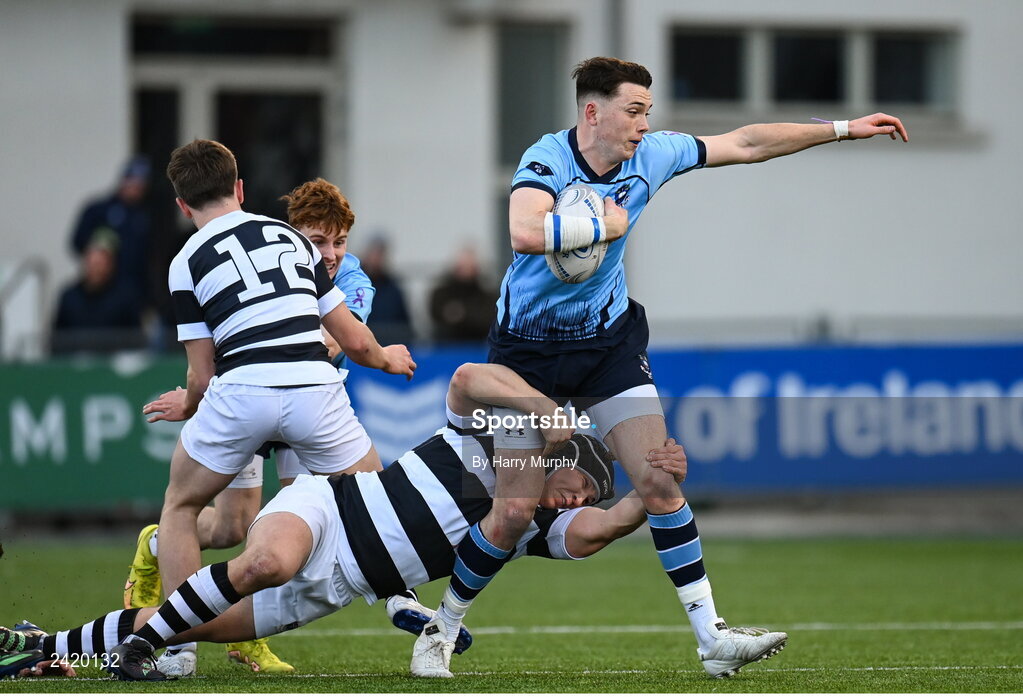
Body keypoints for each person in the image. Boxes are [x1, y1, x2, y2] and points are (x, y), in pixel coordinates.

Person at [417, 56, 907, 678]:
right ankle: (443, 626)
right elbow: (522, 230)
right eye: (634, 111)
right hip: (526, 356)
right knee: (513, 512)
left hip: (607, 345)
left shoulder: (654, 155)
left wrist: (841, 129)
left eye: (648, 112)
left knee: (657, 480)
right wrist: (603, 220)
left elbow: (747, 142)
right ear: (593, 112)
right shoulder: (546, 158)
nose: (645, 125)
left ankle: (712, 638)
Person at [0, 362, 690, 682]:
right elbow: (467, 377)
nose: (576, 502)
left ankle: (45, 646)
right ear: (558, 456)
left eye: (588, 498)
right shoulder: (487, 435)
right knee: (263, 560)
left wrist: (647, 493)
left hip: (328, 590)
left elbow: (599, 532)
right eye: (579, 486)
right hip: (326, 511)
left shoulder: (525, 528)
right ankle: (134, 644)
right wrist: (543, 406)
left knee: (191, 621)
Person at [123, 139, 415, 678]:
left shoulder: (185, 260)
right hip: (311, 389)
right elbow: (351, 339)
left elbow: (202, 374)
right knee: (375, 498)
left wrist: (189, 406)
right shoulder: (288, 238)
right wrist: (386, 360)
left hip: (241, 394)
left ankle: (177, 650)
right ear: (240, 189)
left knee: (182, 505)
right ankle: (404, 596)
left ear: (183, 206)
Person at [70, 156, 152, 306]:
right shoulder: (98, 210)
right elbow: (77, 242)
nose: (135, 189)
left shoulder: (144, 216)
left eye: (140, 185)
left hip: (133, 290)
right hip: (100, 291)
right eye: (132, 182)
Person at [51, 228, 145, 354]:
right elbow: (57, 340)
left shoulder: (125, 297)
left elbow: (135, 341)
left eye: (101, 262)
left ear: (111, 264)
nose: (96, 268)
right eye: (93, 262)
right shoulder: (69, 297)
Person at [428, 246, 498, 342]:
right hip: (446, 346)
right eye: (462, 267)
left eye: (469, 267)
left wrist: (462, 315)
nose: (466, 271)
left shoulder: (487, 295)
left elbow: (488, 318)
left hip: (478, 346)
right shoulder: (441, 293)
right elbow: (436, 313)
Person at [360, 236, 413, 345]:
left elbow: (404, 323)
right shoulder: (352, 285)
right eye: (374, 253)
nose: (376, 258)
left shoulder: (394, 289)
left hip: (389, 346)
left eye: (380, 254)